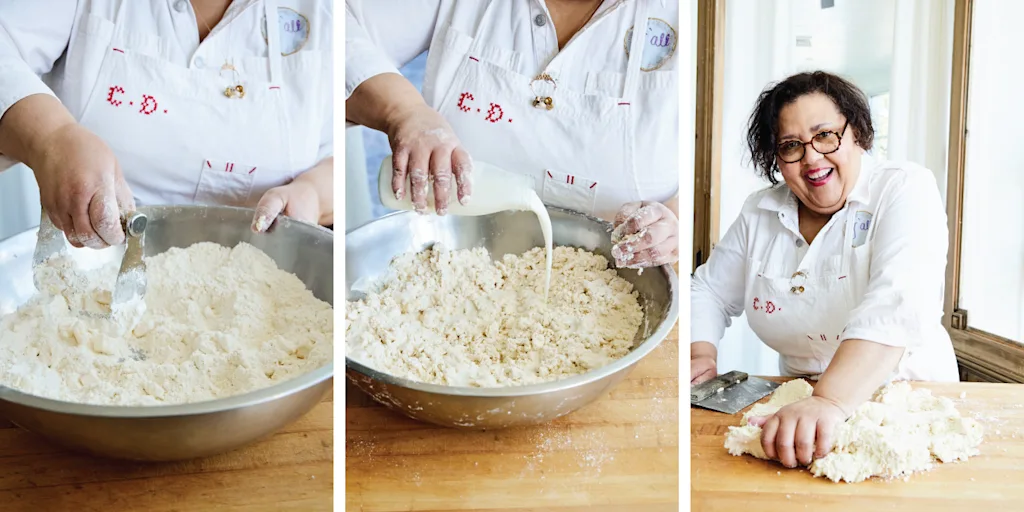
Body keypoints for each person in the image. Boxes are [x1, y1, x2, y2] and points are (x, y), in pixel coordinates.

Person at [690, 71, 958, 468]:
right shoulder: (760, 212)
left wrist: (830, 400)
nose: (812, 158)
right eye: (791, 146)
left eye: (825, 136)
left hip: (907, 402)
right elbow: (708, 292)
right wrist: (699, 353)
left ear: (857, 133)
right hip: (801, 411)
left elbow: (896, 306)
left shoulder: (903, 188)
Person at [345, 0, 679, 269]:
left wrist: (673, 221)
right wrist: (404, 112)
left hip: (624, 284)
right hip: (449, 265)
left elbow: (702, 183)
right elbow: (336, 29)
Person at [0, 0, 333, 249]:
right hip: (92, 271)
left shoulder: (328, 12)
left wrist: (313, 194)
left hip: (271, 282)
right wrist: (53, 137)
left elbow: (334, 157)